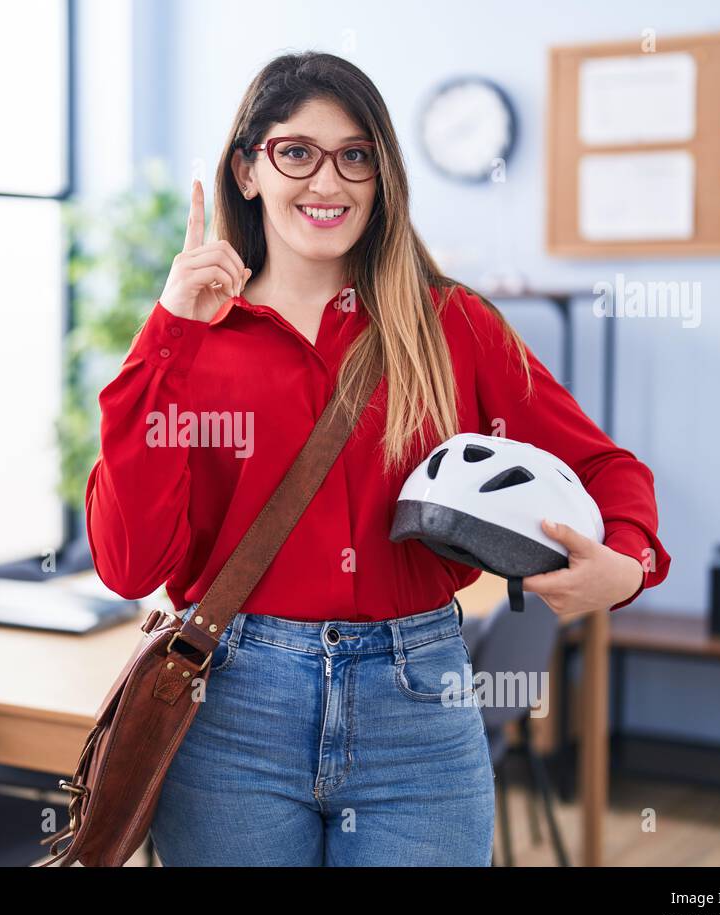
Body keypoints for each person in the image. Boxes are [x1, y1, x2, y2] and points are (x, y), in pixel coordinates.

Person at [84, 51, 671, 866]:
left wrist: (630, 564)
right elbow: (127, 562)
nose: (328, 182)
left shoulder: (453, 326)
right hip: (233, 715)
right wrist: (167, 332)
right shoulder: (188, 346)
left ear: (382, 177)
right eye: (297, 152)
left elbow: (609, 470)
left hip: (419, 708)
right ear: (248, 170)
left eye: (355, 155)